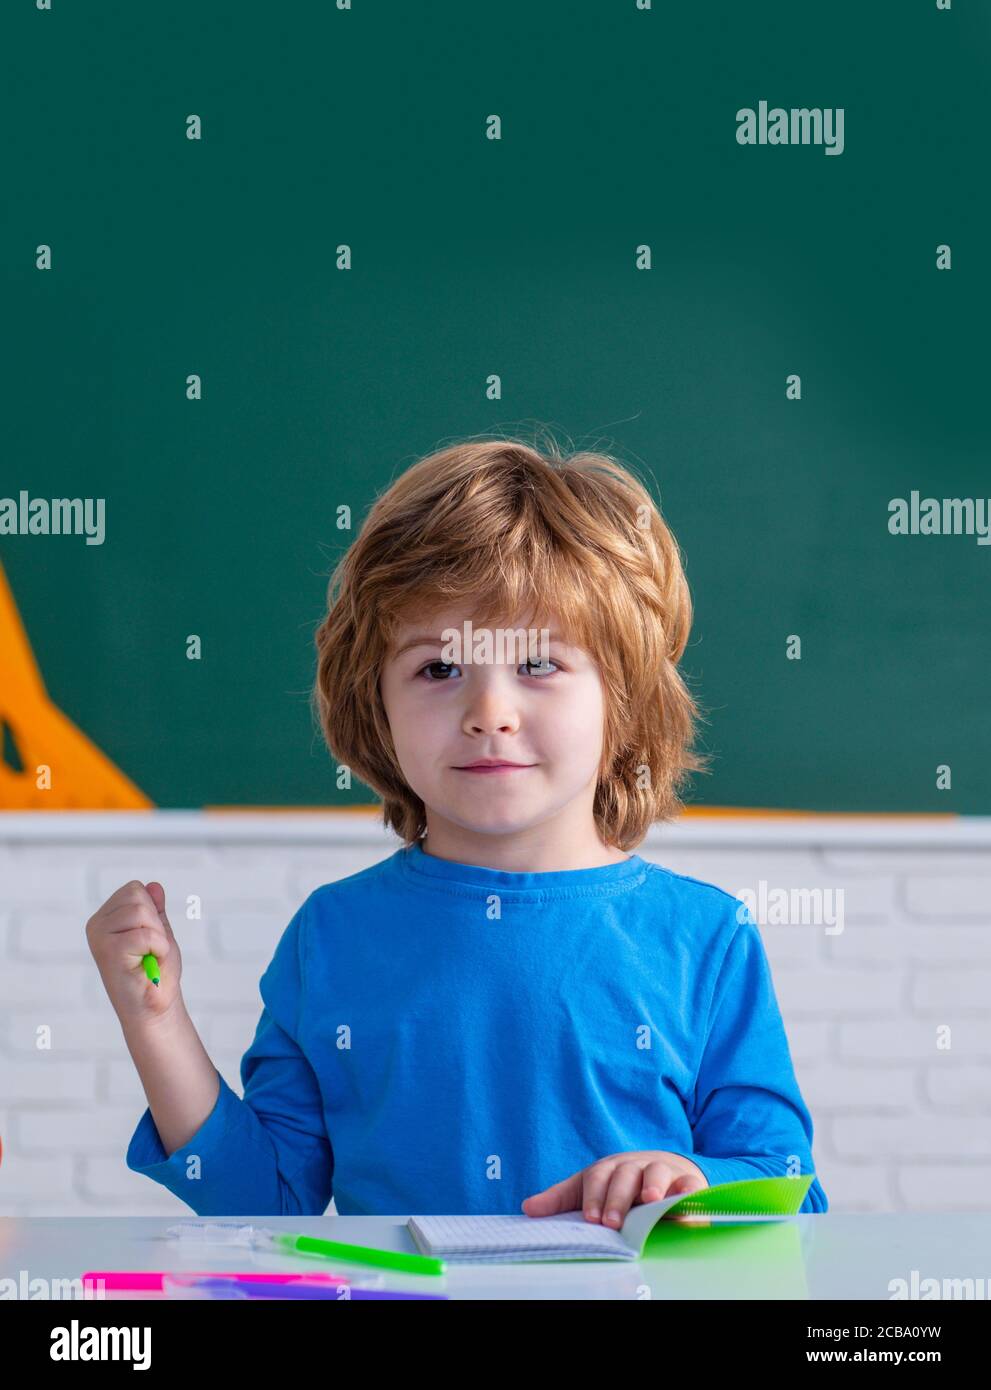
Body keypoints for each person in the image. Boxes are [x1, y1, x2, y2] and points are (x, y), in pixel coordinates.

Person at [87, 435, 828, 1219]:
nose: (488, 714)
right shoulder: (331, 935)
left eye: (538, 664)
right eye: (438, 670)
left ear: (624, 697)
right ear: (375, 705)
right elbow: (261, 1206)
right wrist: (156, 1020)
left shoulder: (705, 938)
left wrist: (692, 1182)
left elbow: (791, 1195)